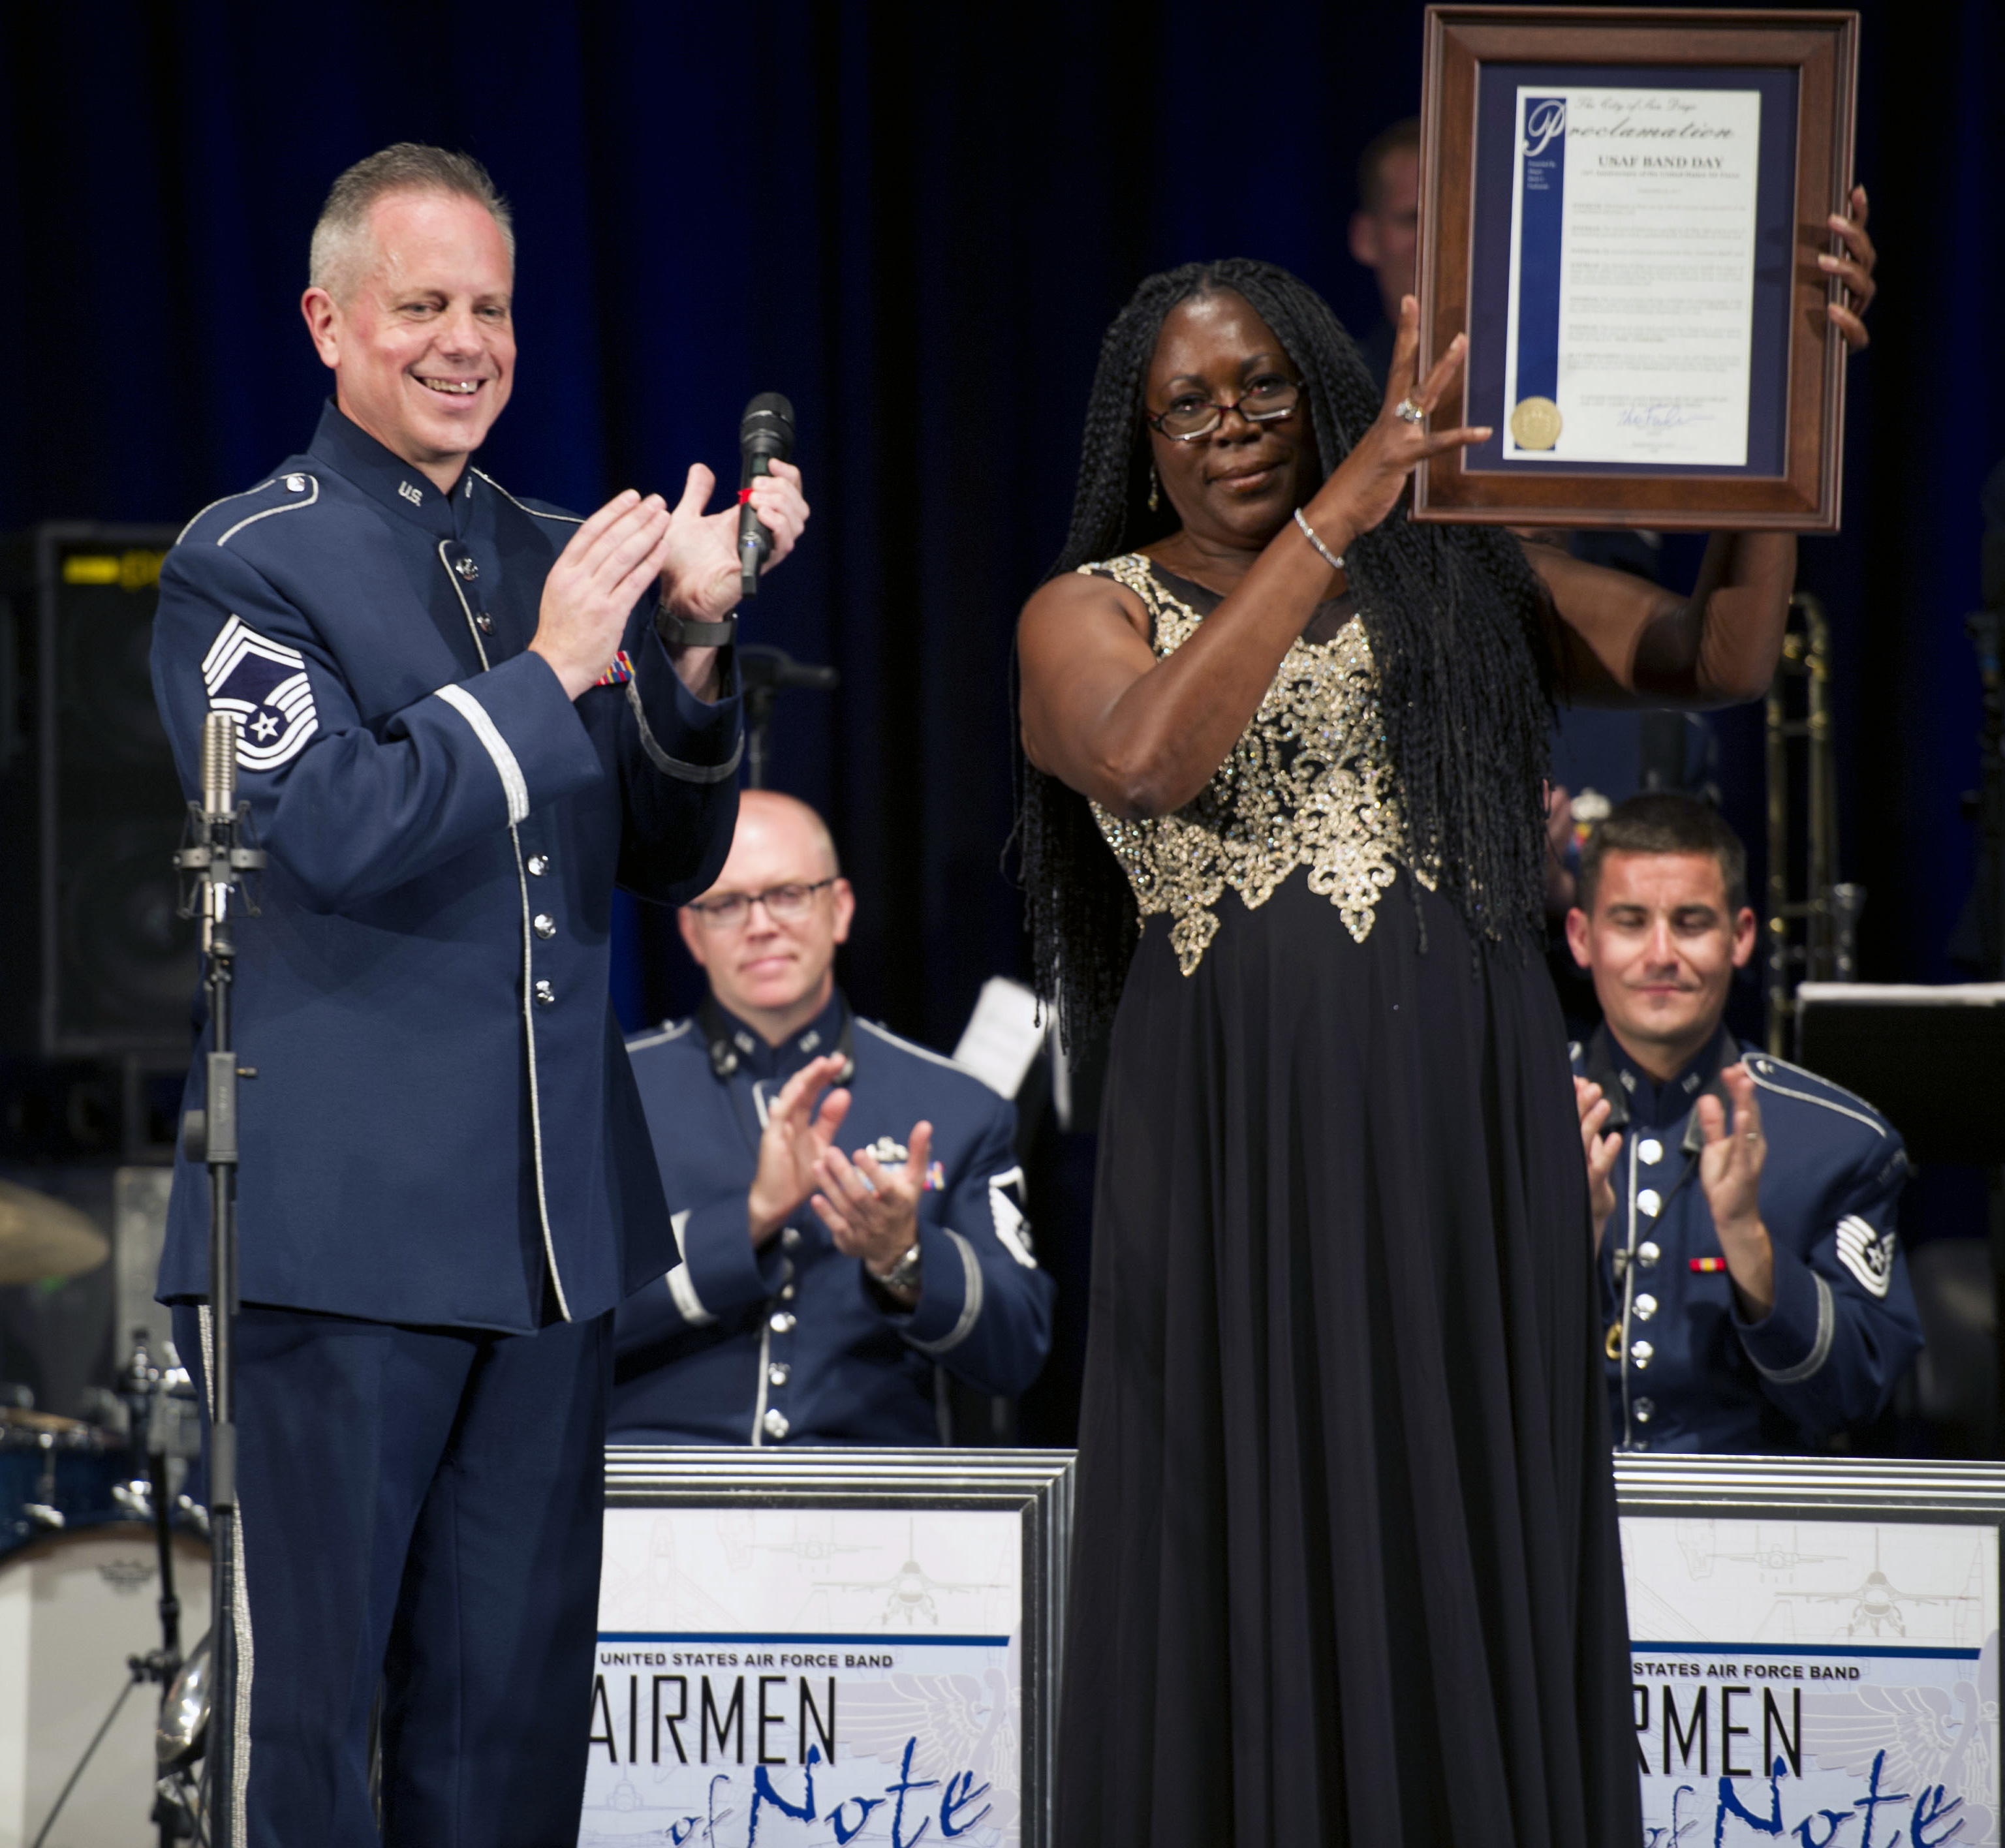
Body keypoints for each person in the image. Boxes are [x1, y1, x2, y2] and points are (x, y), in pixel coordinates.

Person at [1014, 201, 1874, 1845]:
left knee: (1454, 1503)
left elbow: (1718, 651)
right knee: (1239, 1511)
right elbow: (1142, 760)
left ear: (1315, 383)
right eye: (1189, 403)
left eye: (1264, 388)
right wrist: (1337, 514)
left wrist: (1794, 406)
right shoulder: (1085, 606)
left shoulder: (1456, 576)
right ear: (1138, 434)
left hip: (1457, 1132)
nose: (1233, 427)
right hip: (1233, 1152)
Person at [148, 144, 808, 1845]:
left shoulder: (552, 545)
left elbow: (664, 851)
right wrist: (543, 674)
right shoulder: (242, 563)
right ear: (328, 323)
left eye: (492, 308)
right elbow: (331, 830)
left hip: (544, 1244)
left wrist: (692, 647)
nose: (465, 341)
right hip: (337, 1242)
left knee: (508, 1741)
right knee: (311, 1737)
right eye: (422, 304)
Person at [609, 790, 1053, 1445]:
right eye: (727, 904)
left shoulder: (958, 1106)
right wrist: (747, 1221)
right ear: (690, 933)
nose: (761, 924)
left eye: (788, 893)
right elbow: (544, 1325)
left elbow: (1020, 1349)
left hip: (878, 1510)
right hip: (651, 1505)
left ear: (839, 909)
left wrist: (904, 1257)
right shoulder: (611, 1094)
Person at [1568, 795, 1921, 1453]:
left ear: (1742, 936)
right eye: (1631, 922)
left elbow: (1854, 1399)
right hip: (1555, 1536)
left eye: (1692, 922)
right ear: (1582, 938)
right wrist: (1562, 1248)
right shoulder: (1503, 1121)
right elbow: (1437, 1386)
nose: (1662, 954)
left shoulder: (1842, 1143)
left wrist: (1749, 1243)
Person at [1346, 117, 1419, 388]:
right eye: (1415, 220)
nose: (1435, 245)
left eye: (1459, 220)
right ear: (1365, 239)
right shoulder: (1339, 392)